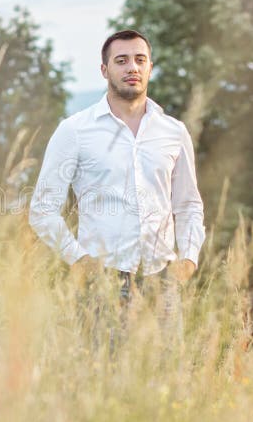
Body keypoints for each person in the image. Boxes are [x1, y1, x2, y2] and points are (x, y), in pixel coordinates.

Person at [28, 29, 205, 347]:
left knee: (167, 383)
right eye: (121, 61)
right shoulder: (75, 130)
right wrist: (79, 260)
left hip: (163, 282)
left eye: (140, 60)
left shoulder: (174, 132)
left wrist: (189, 258)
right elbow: (43, 209)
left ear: (150, 66)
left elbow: (189, 204)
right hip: (103, 281)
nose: (132, 68)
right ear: (104, 70)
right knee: (103, 382)